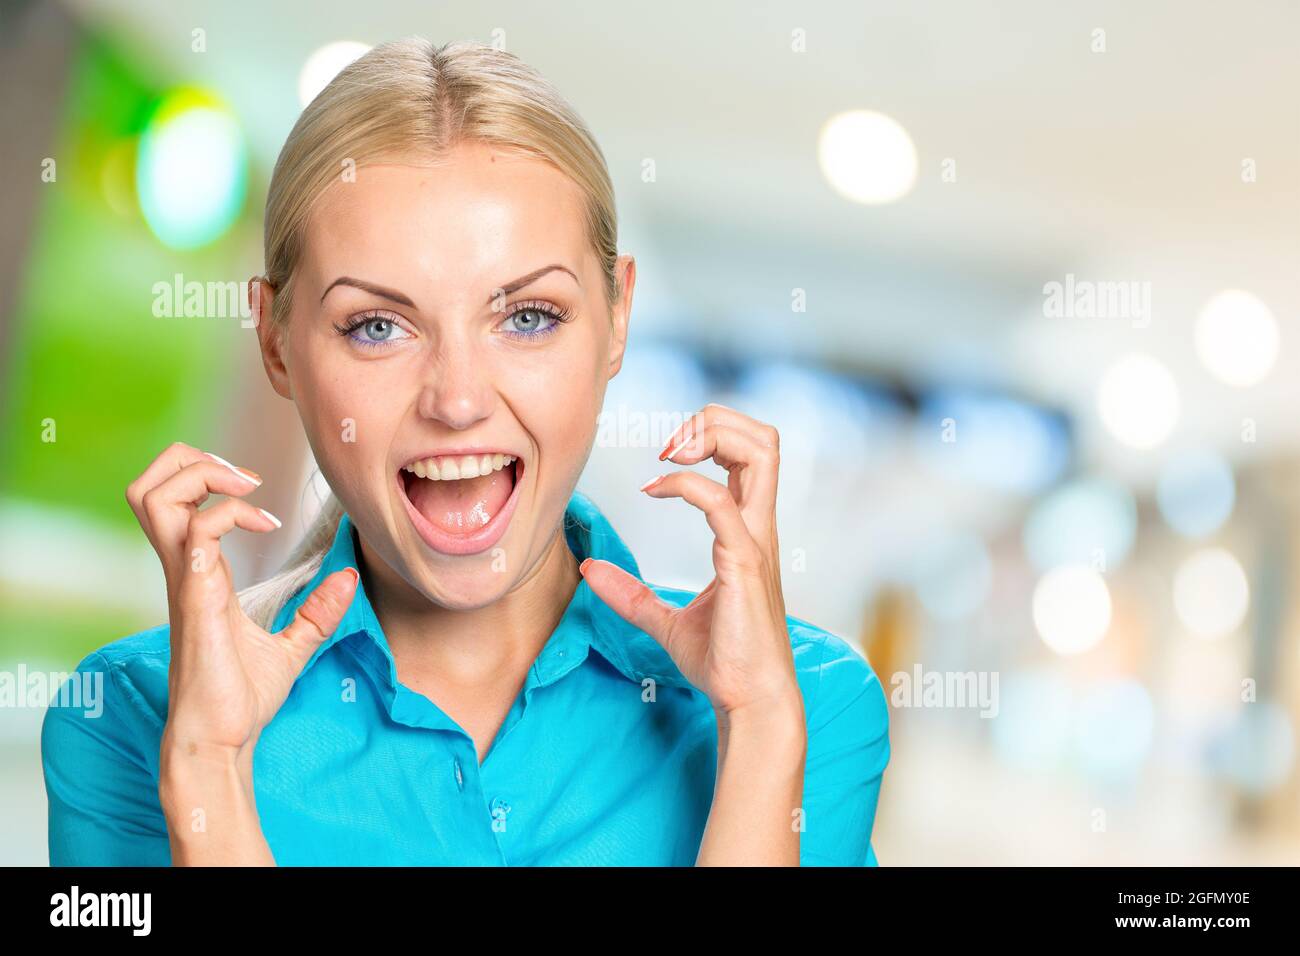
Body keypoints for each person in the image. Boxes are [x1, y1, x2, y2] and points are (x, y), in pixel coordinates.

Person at [41, 36, 889, 866]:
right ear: (274, 342)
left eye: (527, 318)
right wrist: (208, 771)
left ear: (617, 319)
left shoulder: (810, 708)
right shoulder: (131, 716)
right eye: (378, 326)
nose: (457, 400)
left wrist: (762, 728)